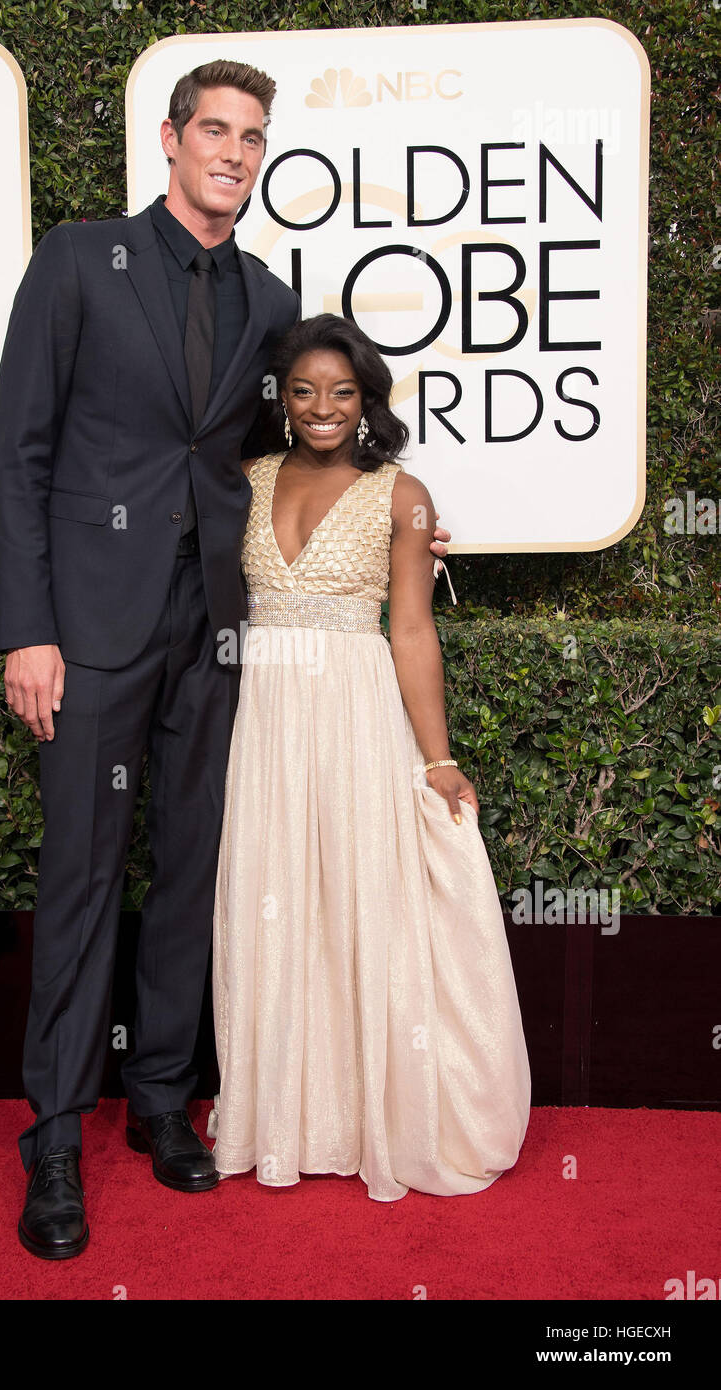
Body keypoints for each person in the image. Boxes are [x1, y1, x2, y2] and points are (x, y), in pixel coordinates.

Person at [0, 58, 456, 1256]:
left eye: (252, 136)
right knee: (84, 876)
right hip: (89, 634)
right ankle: (52, 1142)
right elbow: (22, 453)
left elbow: (290, 448)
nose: (234, 153)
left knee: (197, 870)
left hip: (219, 633)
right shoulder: (82, 261)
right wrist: (25, 629)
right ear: (171, 137)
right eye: (216, 130)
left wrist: (396, 510)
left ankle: (159, 1105)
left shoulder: (266, 293)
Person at [210, 313, 531, 1201]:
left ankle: (366, 1116)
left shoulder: (402, 493)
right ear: (280, 398)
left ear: (367, 401)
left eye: (342, 392)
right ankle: (283, 1115)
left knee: (360, 901)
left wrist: (438, 758)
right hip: (265, 720)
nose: (323, 408)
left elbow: (414, 629)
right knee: (273, 906)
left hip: (355, 714)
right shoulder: (242, 479)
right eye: (305, 390)